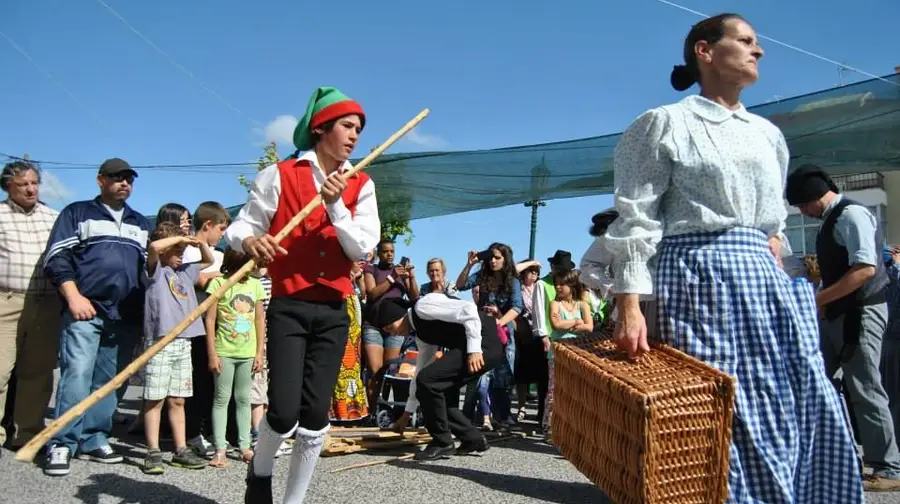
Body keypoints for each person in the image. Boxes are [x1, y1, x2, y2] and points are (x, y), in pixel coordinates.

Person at [599, 14, 863, 502]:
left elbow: (773, 224)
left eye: (756, 43)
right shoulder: (665, 122)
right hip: (696, 278)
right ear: (705, 51)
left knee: (784, 399)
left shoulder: (766, 133)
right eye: (745, 41)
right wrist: (630, 304)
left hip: (763, 281)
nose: (757, 50)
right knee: (716, 408)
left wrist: (777, 258)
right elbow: (637, 218)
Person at [224, 86, 379, 504]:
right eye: (347, 126)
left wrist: (336, 207)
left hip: (335, 307)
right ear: (319, 128)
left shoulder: (361, 183)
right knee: (283, 411)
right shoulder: (278, 175)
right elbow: (238, 227)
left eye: (359, 130)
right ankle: (259, 476)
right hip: (289, 305)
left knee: (314, 417)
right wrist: (252, 243)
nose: (354, 137)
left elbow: (362, 248)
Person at [785, 164, 900, 491]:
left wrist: (818, 301)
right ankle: (839, 451)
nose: (802, 212)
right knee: (815, 378)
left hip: (860, 313)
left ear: (814, 196)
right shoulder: (832, 220)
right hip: (840, 313)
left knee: (865, 389)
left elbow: (864, 269)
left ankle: (889, 467)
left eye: (802, 205)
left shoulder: (851, 216)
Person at [42, 158, 152, 476]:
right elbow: (57, 257)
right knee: (77, 374)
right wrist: (73, 296)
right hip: (85, 309)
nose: (125, 183)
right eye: (117, 178)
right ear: (100, 180)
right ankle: (62, 441)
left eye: (129, 178)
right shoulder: (77, 213)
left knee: (110, 382)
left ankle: (94, 437)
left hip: (126, 315)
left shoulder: (140, 223)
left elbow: (148, 272)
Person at [365, 294, 504, 460]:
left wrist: (474, 349)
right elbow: (421, 372)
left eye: (390, 327)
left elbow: (468, 309)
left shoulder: (422, 307)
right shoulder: (421, 334)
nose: (392, 332)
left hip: (482, 344)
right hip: (478, 348)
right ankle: (472, 439)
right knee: (437, 389)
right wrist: (406, 414)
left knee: (429, 382)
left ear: (398, 316)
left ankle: (442, 442)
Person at [140, 222, 212, 474]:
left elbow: (208, 259)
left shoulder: (184, 273)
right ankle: (153, 451)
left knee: (178, 399)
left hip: (183, 342)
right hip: (160, 342)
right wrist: (178, 238)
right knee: (154, 399)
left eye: (183, 249)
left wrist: (198, 242)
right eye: (177, 249)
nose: (181, 254)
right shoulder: (155, 270)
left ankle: (180, 449)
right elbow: (153, 247)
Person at [0, 160, 60, 451]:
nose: (31, 188)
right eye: (23, 184)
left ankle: (28, 436)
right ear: (8, 186)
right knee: (0, 371)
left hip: (45, 303)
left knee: (37, 372)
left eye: (34, 183)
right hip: (5, 300)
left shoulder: (52, 217)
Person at [205, 248, 266, 467]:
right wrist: (212, 352)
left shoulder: (255, 286)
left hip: (248, 352)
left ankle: (245, 446)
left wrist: (259, 353)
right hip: (224, 351)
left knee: (243, 399)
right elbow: (210, 319)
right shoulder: (218, 284)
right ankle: (220, 448)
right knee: (221, 399)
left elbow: (260, 320)